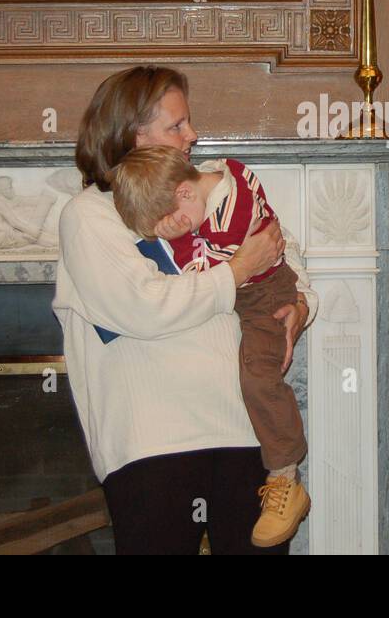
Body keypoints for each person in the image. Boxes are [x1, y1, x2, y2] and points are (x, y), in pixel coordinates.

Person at [52, 66, 318, 554]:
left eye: (188, 122)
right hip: (153, 444)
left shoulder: (210, 190)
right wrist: (235, 272)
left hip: (243, 431)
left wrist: (300, 303)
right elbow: (141, 307)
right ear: (133, 134)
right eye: (176, 125)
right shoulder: (90, 214)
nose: (192, 135)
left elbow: (281, 249)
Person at [109, 145, 311, 547]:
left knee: (258, 377)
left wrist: (170, 247)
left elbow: (206, 272)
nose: (173, 229)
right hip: (249, 292)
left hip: (265, 297)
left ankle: (285, 474)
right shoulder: (208, 191)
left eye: (169, 221)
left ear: (183, 193)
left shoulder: (229, 210)